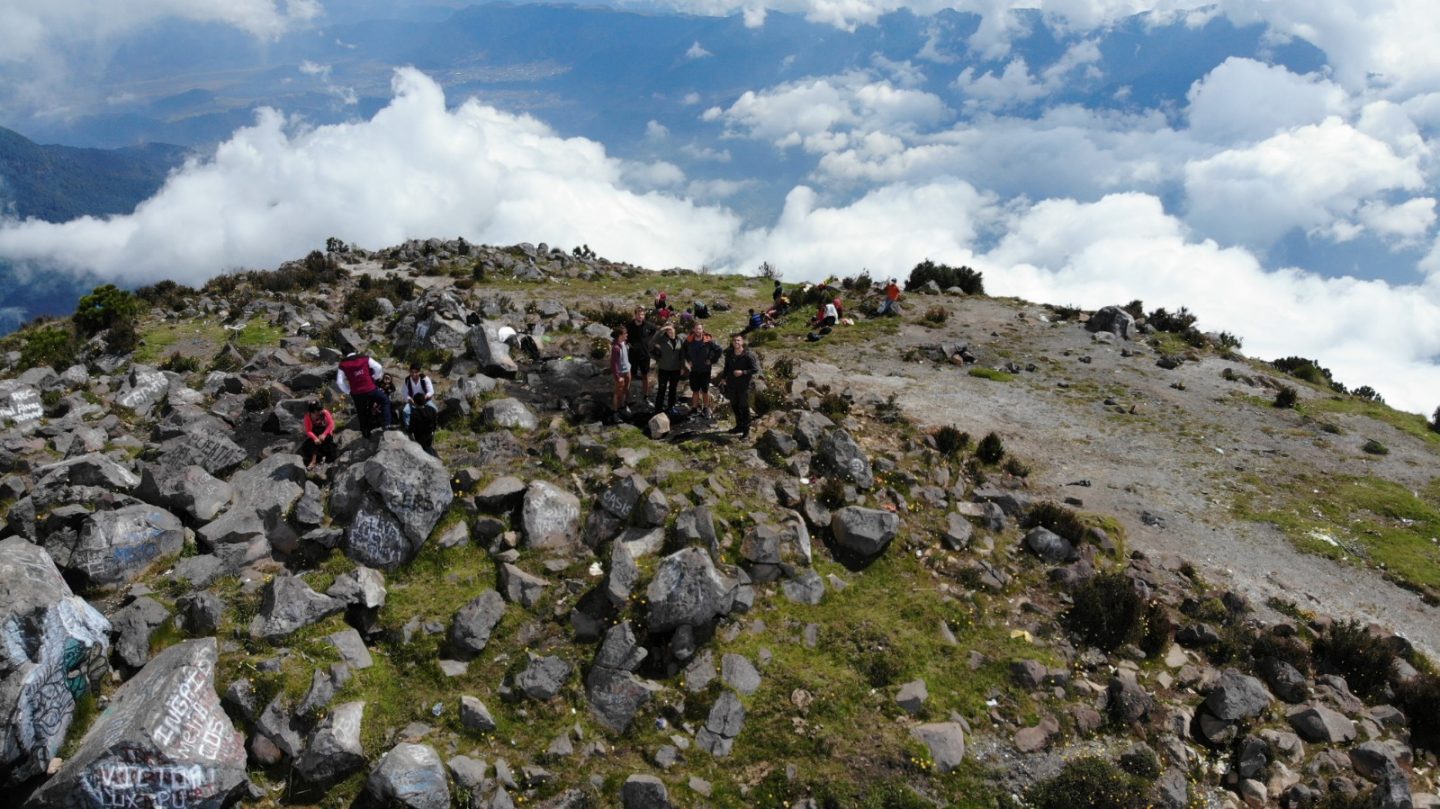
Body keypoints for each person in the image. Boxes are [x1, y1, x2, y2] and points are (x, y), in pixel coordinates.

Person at [336, 349, 391, 437]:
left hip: (357, 393)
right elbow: (379, 367)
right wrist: (375, 378)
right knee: (384, 401)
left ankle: (366, 433)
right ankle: (386, 424)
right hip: (370, 389)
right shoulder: (364, 358)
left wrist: (349, 391)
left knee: (362, 412)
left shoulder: (343, 364)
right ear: (354, 350)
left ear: (344, 354)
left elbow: (339, 382)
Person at [718, 334, 759, 438]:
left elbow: (755, 369)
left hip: (744, 386)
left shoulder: (748, 355)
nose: (736, 342)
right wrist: (723, 378)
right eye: (735, 341)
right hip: (732, 384)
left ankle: (746, 431)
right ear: (732, 343)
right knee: (735, 406)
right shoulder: (730, 354)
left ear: (742, 342)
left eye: (738, 340)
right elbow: (726, 367)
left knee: (744, 408)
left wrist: (743, 372)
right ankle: (739, 426)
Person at [684, 322, 720, 417]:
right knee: (695, 390)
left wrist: (712, 360)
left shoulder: (708, 340)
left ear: (702, 330)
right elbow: (683, 351)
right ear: (693, 329)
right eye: (696, 329)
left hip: (705, 370)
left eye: (699, 329)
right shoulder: (689, 340)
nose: (698, 331)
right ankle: (694, 408)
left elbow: (719, 350)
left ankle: (706, 408)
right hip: (694, 369)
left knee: (705, 390)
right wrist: (688, 360)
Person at [651, 322, 686, 413]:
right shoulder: (662, 340)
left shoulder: (680, 339)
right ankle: (658, 409)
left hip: (676, 369)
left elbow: (682, 354)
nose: (669, 331)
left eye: (670, 329)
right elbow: (651, 343)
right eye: (667, 330)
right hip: (664, 368)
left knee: (673, 389)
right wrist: (661, 329)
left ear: (674, 329)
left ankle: (671, 407)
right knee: (662, 389)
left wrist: (682, 367)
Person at [627, 307, 656, 407]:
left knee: (645, 375)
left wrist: (648, 340)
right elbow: (622, 334)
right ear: (635, 315)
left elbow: (654, 330)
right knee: (630, 375)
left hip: (645, 354)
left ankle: (646, 396)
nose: (641, 316)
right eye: (639, 314)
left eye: (643, 315)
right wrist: (627, 343)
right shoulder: (629, 325)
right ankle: (628, 397)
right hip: (633, 354)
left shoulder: (648, 325)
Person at [401, 363, 436, 433]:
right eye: (412, 372)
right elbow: (404, 392)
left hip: (425, 400)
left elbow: (431, 391)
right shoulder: (407, 380)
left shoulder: (425, 379)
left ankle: (432, 428)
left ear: (419, 372)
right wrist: (409, 398)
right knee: (405, 411)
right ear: (409, 372)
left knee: (434, 409)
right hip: (413, 401)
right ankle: (408, 429)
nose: (414, 374)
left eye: (416, 372)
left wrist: (424, 398)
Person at [300, 400, 336, 469]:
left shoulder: (325, 413)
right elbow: (308, 431)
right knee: (311, 444)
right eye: (318, 410)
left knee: (330, 452)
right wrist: (315, 438)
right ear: (312, 411)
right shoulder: (307, 417)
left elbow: (331, 424)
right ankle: (315, 459)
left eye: (321, 409)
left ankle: (314, 461)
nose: (321, 410)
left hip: (326, 434)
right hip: (315, 435)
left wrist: (324, 434)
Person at [610, 325, 632, 417]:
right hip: (620, 373)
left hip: (627, 370)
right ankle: (615, 411)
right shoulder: (616, 347)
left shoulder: (623, 343)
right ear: (620, 335)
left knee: (626, 389)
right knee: (618, 392)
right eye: (625, 333)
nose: (627, 335)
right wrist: (618, 377)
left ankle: (623, 405)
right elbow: (613, 364)